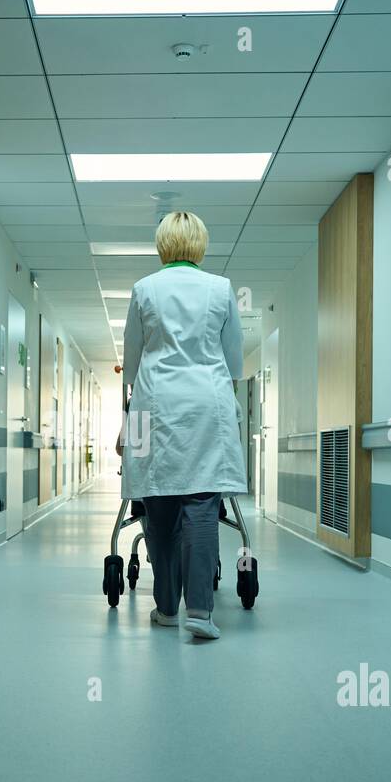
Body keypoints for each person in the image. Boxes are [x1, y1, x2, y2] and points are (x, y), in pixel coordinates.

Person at [118, 211, 246, 640]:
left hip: (152, 405)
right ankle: (200, 613)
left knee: (158, 504)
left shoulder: (143, 289)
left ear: (162, 246)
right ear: (201, 245)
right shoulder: (221, 288)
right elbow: (234, 361)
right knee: (202, 505)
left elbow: (131, 363)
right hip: (208, 405)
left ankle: (167, 607)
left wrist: (128, 428)